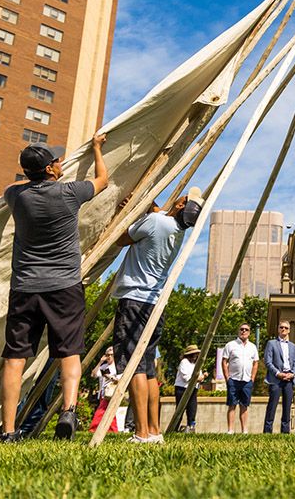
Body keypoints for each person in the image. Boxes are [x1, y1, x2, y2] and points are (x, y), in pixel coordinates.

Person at [0, 135, 108, 442]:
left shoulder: (16, 197)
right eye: (57, 162)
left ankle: (8, 431)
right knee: (69, 352)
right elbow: (102, 180)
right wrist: (97, 148)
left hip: (25, 287)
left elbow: (12, 188)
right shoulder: (70, 193)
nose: (61, 165)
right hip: (64, 286)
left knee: (15, 357)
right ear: (50, 169)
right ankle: (68, 411)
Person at [111, 188, 202, 445]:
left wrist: (127, 213)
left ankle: (140, 433)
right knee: (149, 369)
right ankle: (153, 430)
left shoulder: (155, 222)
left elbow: (121, 239)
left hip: (135, 301)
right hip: (154, 304)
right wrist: (149, 203)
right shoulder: (175, 231)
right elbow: (159, 215)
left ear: (181, 204)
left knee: (133, 365)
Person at [222, 323, 259, 434]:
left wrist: (252, 378)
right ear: (238, 331)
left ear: (249, 332)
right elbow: (224, 361)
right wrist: (227, 378)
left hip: (247, 381)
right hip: (233, 379)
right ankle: (230, 430)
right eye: (241, 329)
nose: (243, 331)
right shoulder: (230, 345)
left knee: (244, 405)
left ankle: (244, 430)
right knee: (232, 405)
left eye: (246, 329)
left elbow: (255, 363)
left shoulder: (252, 347)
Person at [263, 321, 295, 434]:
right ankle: (268, 431)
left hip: (289, 379)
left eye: (286, 327)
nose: (283, 329)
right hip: (276, 379)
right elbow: (268, 362)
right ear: (278, 329)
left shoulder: (292, 346)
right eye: (281, 327)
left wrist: (292, 373)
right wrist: (278, 373)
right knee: (272, 406)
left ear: (289, 330)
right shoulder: (271, 343)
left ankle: (285, 432)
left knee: (287, 407)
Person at [174, 344, 206, 433]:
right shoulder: (184, 362)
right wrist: (198, 378)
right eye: (194, 354)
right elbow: (186, 378)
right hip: (182, 389)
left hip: (193, 389)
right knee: (180, 410)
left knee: (192, 409)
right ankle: (174, 428)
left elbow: (199, 377)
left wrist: (202, 377)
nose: (196, 356)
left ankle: (191, 427)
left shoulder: (196, 364)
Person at [88, 347, 119, 433]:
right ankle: (112, 429)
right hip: (103, 393)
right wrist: (100, 362)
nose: (109, 357)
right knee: (107, 411)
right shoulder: (103, 367)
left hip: (112, 392)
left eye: (111, 355)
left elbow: (119, 380)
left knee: (102, 411)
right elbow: (93, 374)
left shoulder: (117, 367)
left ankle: (94, 428)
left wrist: (110, 377)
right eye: (107, 355)